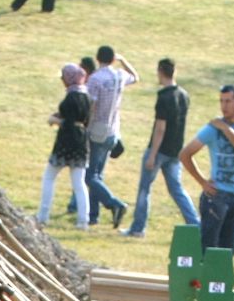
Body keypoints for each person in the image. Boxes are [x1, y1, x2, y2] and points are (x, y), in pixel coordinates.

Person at [123, 57, 198, 238]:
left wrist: (152, 155)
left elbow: (160, 128)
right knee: (177, 189)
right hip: (176, 150)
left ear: (160, 72)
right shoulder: (183, 95)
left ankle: (137, 228)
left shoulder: (163, 97)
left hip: (160, 150)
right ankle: (196, 224)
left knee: (144, 189)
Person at [178, 83, 234, 251]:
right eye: (221, 101)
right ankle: (202, 278)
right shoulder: (211, 129)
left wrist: (225, 128)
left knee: (229, 250)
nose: (224, 106)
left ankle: (220, 278)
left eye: (228, 101)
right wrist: (202, 182)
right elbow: (185, 154)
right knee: (208, 247)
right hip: (216, 196)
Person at [82, 46, 135, 229]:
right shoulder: (119, 75)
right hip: (113, 131)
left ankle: (114, 204)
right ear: (112, 59)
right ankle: (93, 215)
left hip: (97, 129)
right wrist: (123, 60)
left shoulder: (96, 78)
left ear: (97, 58)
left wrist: (85, 124)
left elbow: (91, 104)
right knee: (98, 175)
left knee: (90, 176)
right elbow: (135, 76)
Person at [37, 62, 90, 229]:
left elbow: (68, 121)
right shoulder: (85, 96)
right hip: (81, 140)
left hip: (67, 140)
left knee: (49, 177)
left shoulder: (71, 97)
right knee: (79, 184)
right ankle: (83, 221)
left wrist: (55, 120)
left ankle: (43, 216)